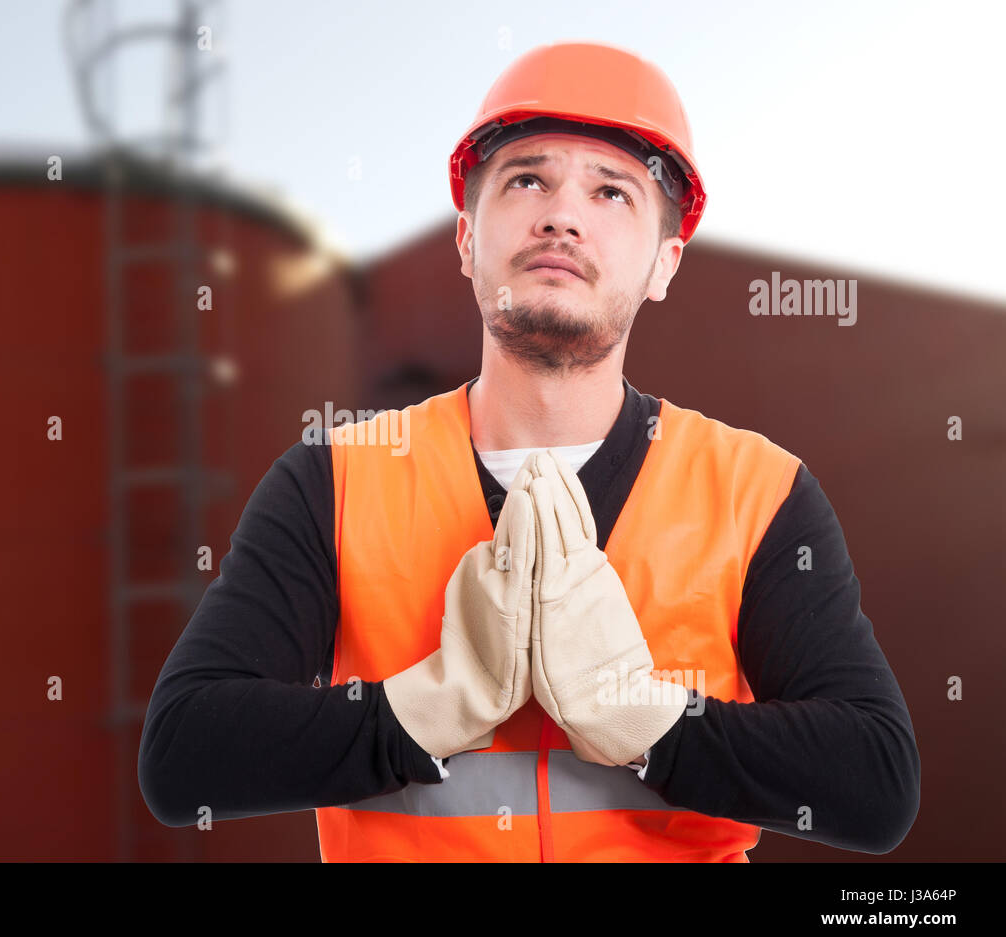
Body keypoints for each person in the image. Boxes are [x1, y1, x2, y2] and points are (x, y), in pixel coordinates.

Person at [137, 40, 920, 862]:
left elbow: (876, 784)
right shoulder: (333, 482)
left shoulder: (758, 494)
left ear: (664, 263)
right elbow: (182, 753)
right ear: (468, 239)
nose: (562, 215)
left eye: (611, 191)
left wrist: (653, 722)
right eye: (526, 180)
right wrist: (416, 712)